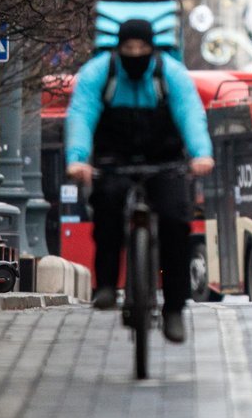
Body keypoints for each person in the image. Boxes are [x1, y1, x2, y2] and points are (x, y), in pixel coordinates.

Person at [65, 18, 214, 342]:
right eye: (129, 48)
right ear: (117, 48)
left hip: (165, 159)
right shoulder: (99, 73)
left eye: (142, 49)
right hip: (113, 158)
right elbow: (81, 113)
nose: (135, 54)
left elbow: (190, 111)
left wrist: (201, 153)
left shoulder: (169, 73)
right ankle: (105, 285)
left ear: (152, 48)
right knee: (106, 207)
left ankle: (174, 308)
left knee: (176, 221)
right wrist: (77, 159)